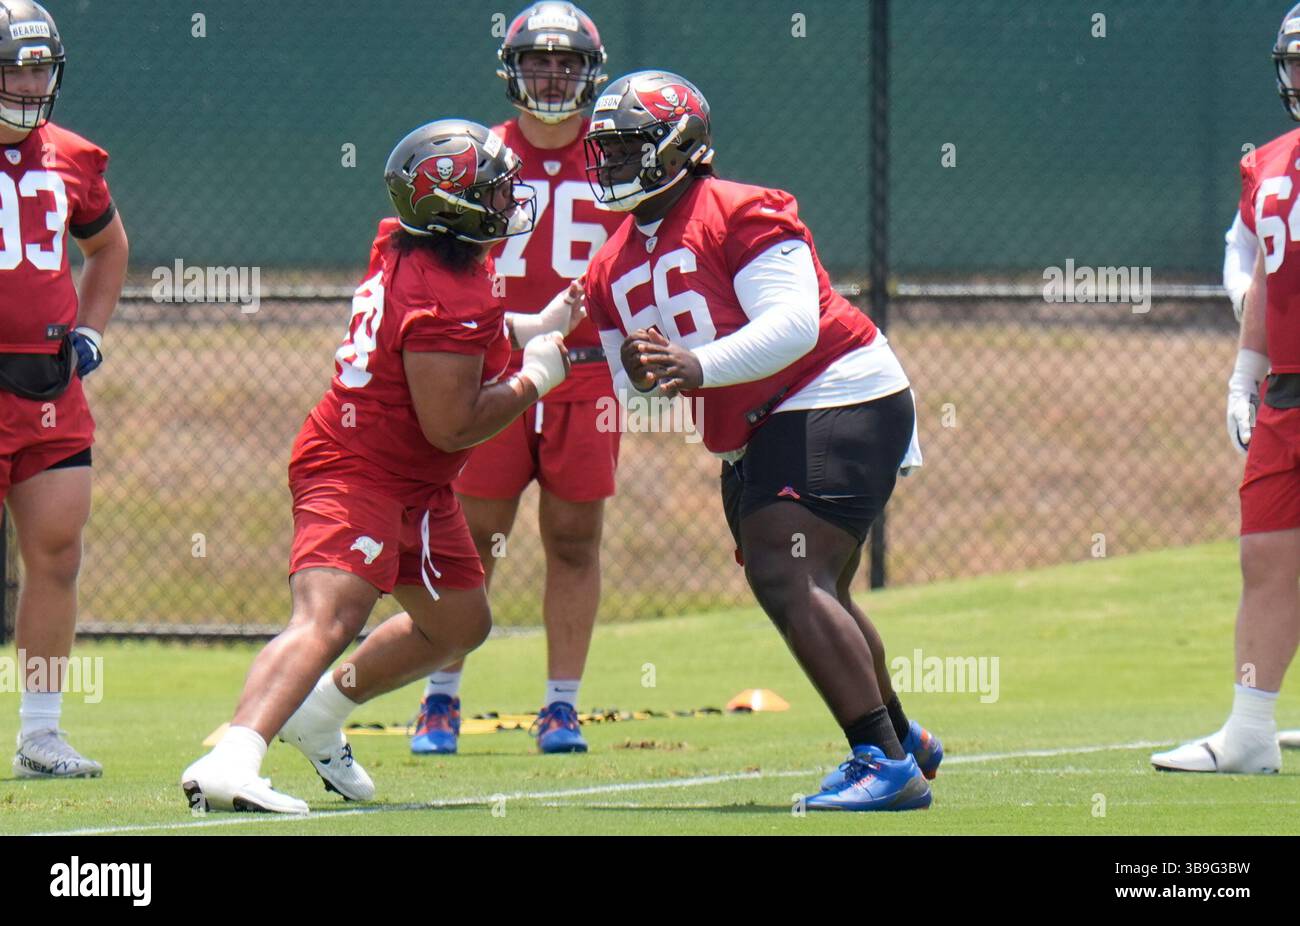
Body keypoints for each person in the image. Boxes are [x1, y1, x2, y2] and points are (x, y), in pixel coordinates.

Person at [180, 119, 583, 813]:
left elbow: (458, 334)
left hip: (414, 483)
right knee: (330, 615)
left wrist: (527, 326)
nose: (507, 201)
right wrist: (534, 380)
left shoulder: (409, 247)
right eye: (491, 190)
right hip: (356, 468)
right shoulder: (445, 297)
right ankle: (233, 756)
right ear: (453, 209)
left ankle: (320, 713)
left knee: (460, 624)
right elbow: (451, 421)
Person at [581, 70, 939, 811]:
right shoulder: (608, 263)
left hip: (838, 389)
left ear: (678, 147)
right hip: (756, 426)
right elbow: (630, 380)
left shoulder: (742, 210)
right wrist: (642, 378)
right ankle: (904, 739)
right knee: (815, 586)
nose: (609, 163)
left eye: (625, 148)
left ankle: (884, 762)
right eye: (604, 149)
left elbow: (793, 325)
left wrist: (693, 364)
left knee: (787, 570)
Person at [406, 2, 626, 757]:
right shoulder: (481, 152)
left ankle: (561, 705)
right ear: (513, 69)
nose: (554, 76)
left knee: (574, 541)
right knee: (471, 538)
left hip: (585, 373)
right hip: (491, 366)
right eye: (540, 61)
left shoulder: (616, 150)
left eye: (568, 64)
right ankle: (440, 695)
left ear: (590, 72)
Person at [1152, 4, 1300, 774]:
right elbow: (1267, 273)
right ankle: (1249, 733)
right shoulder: (1272, 162)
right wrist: (1245, 373)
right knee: (1267, 554)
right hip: (1288, 389)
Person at [0, 0, 128, 779]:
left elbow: (108, 249)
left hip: (46, 379)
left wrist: (93, 330)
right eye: (15, 63)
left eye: (40, 65)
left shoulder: (72, 155)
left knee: (56, 552)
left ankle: (40, 731)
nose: (29, 80)